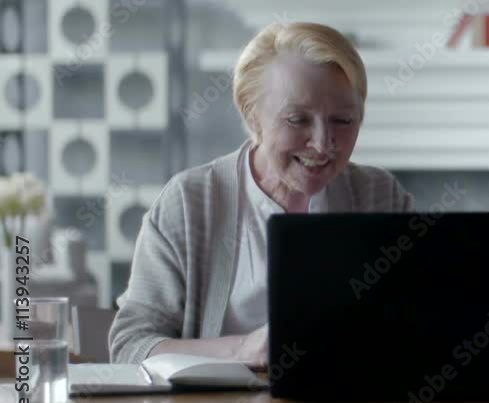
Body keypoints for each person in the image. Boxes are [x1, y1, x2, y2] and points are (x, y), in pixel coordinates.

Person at [109, 22, 413, 366]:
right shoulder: (189, 203)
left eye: (343, 121)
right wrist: (243, 350)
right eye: (297, 119)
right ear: (252, 116)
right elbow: (130, 347)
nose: (322, 143)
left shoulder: (379, 196)